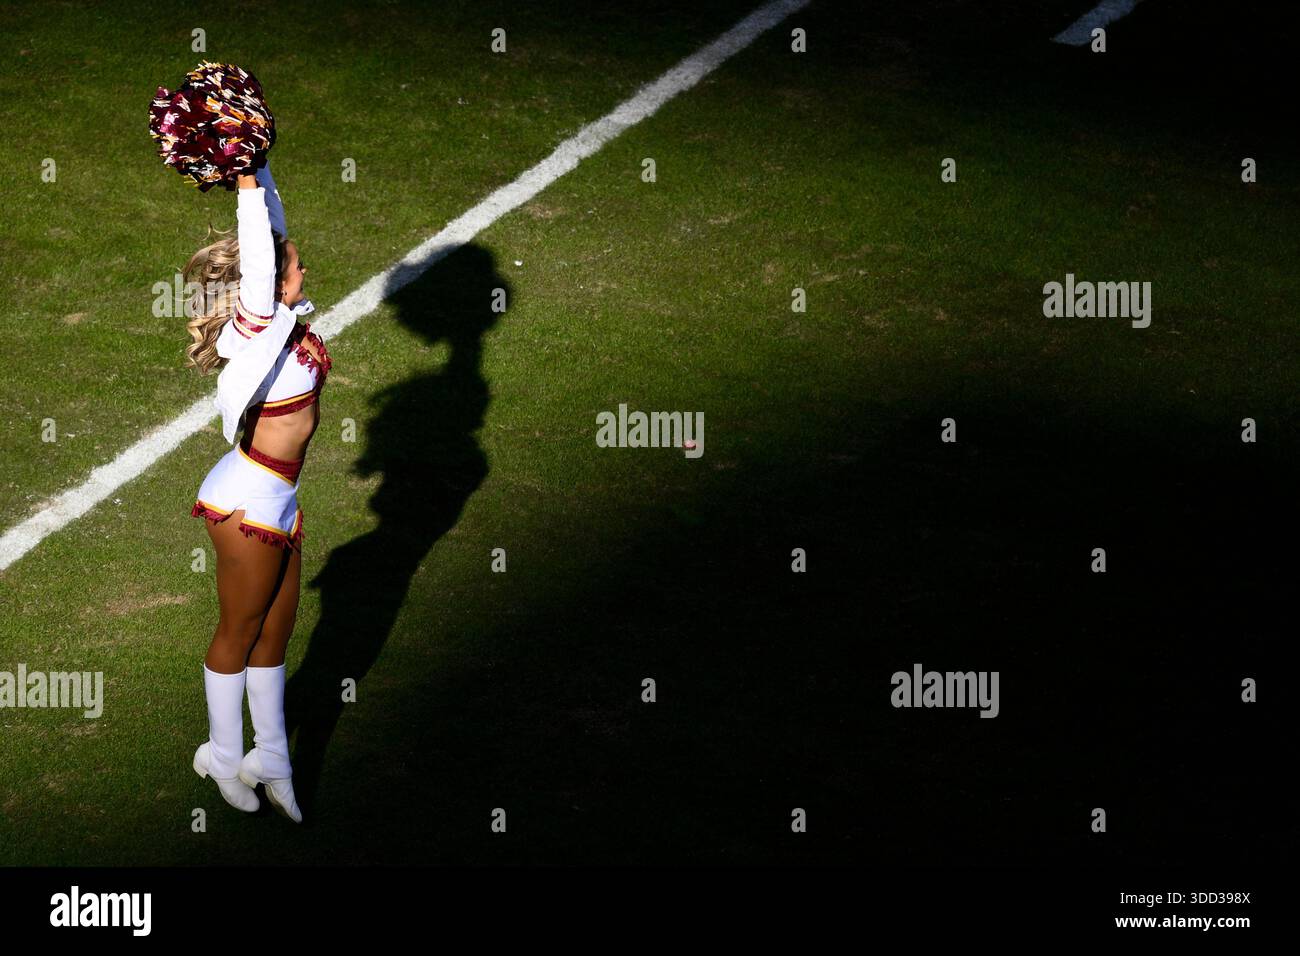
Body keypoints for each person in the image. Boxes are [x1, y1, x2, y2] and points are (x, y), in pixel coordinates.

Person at [182, 158, 331, 822]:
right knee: (239, 630)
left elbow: (272, 234)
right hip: (246, 504)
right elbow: (265, 261)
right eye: (294, 267)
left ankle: (271, 757)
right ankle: (220, 750)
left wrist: (258, 159)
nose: (303, 274)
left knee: (277, 630)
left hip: (279, 499)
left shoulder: (284, 317)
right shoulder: (257, 325)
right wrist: (242, 187)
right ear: (264, 286)